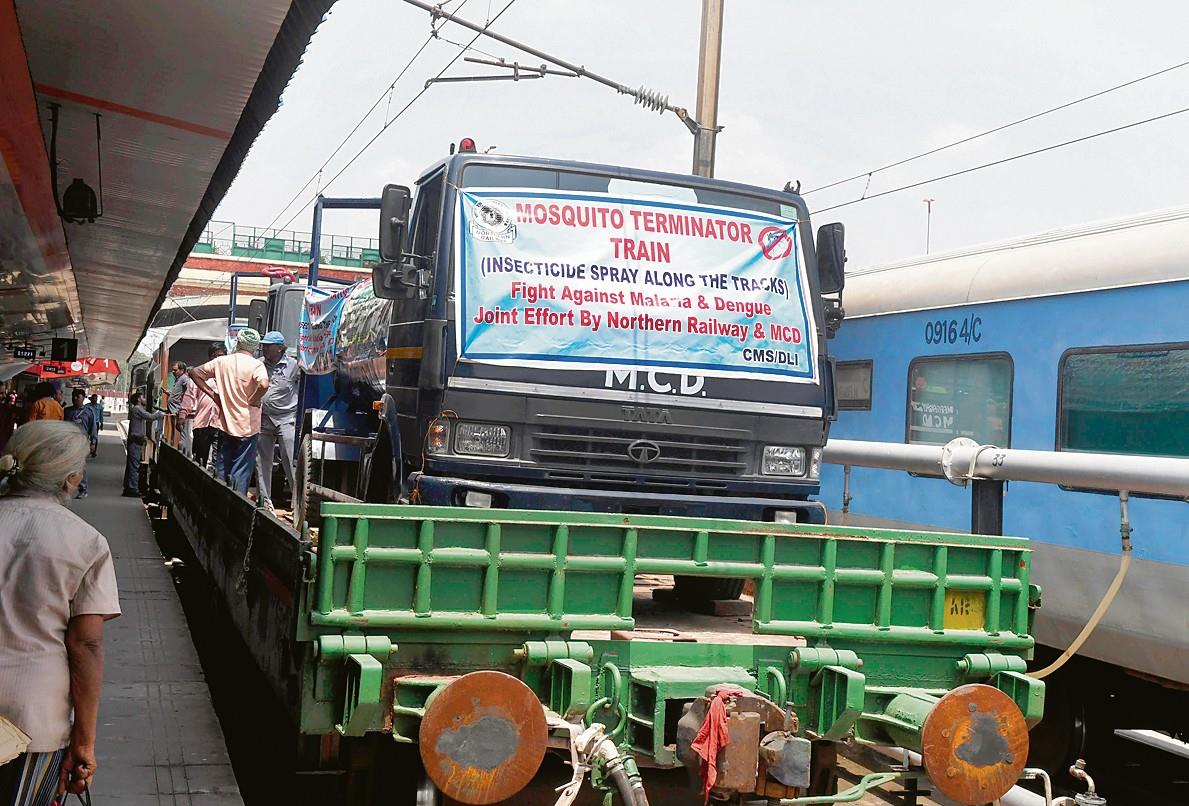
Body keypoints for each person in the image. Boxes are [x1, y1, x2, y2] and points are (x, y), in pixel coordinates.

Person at [0, 421, 121, 805]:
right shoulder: (86, 542)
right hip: (32, 721)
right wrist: (84, 742)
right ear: (70, 478)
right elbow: (85, 643)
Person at [189, 329, 269, 495]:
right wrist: (254, 399)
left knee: (222, 467)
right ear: (254, 348)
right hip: (248, 427)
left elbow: (194, 373)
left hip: (225, 424)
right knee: (241, 471)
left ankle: (219, 501)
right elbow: (263, 384)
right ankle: (236, 504)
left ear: (237, 343)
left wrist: (213, 395)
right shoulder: (256, 365)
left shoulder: (221, 362)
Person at [255, 331, 299, 511]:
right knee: (261, 461)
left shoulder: (294, 366)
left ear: (280, 348)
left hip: (286, 419)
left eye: (268, 346)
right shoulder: (258, 365)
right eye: (264, 345)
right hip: (263, 418)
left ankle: (298, 502)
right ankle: (264, 500)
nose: (264, 348)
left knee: (290, 460)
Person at [191, 344, 226, 471]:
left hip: (221, 425)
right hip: (202, 424)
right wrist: (183, 414)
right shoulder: (200, 377)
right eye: (214, 356)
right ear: (210, 357)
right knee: (199, 459)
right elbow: (190, 396)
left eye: (221, 356)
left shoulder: (228, 377)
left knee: (219, 462)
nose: (218, 359)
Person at [123, 390, 165, 497]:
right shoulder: (137, 409)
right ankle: (132, 489)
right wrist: (160, 414)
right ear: (138, 399)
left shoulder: (137, 409)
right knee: (134, 466)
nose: (145, 399)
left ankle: (129, 487)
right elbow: (150, 417)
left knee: (132, 465)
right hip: (135, 442)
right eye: (143, 397)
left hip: (136, 441)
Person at [63, 389, 97, 499]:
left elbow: (93, 427)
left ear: (83, 398)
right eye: (74, 396)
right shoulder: (67, 411)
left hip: (82, 442)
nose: (75, 398)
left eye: (78, 396)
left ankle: (83, 489)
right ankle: (67, 488)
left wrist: (93, 442)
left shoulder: (89, 412)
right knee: (67, 465)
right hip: (68, 442)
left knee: (81, 466)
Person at [166, 363, 194, 454]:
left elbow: (189, 389)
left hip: (180, 410)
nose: (173, 372)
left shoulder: (184, 379)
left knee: (183, 432)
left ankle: (185, 451)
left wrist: (183, 399)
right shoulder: (178, 379)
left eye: (175, 370)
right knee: (179, 430)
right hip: (175, 410)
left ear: (182, 370)